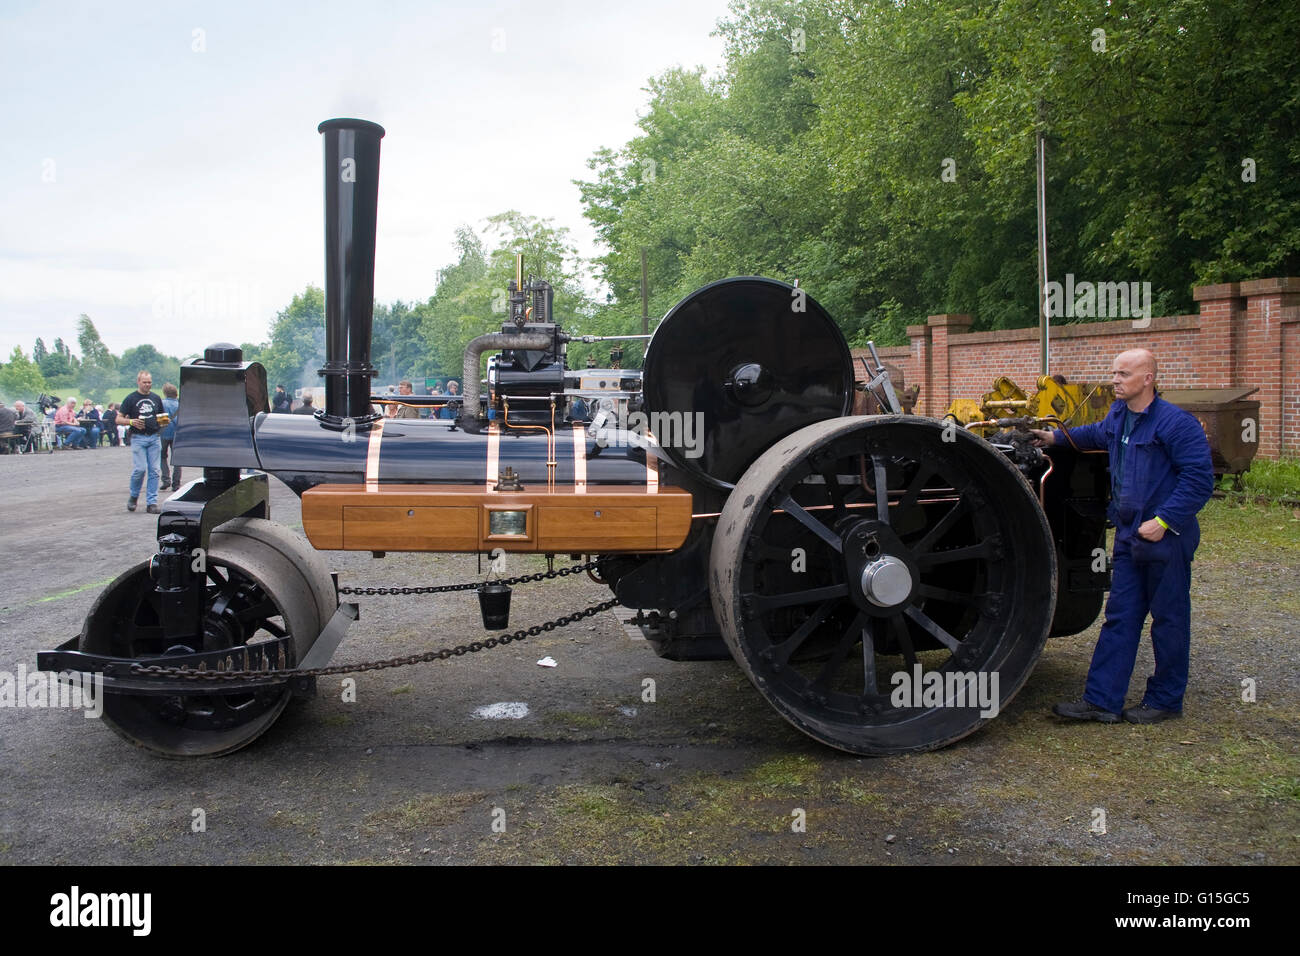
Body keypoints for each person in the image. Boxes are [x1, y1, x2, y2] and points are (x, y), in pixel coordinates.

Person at [1030, 348, 1214, 724]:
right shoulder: (1119, 417)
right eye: (1114, 373)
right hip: (1131, 536)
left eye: (1124, 374)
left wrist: (1163, 522)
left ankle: (1165, 700)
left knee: (1169, 619)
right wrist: (1054, 437)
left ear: (1148, 379)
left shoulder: (1178, 424)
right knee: (1120, 616)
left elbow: (1199, 481)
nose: (1115, 379)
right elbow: (1093, 434)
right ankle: (1102, 701)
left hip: (1166, 537)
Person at [117, 370, 166, 513]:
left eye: (149, 382)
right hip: (138, 438)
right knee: (140, 469)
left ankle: (152, 502)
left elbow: (163, 418)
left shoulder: (156, 398)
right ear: (138, 382)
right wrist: (131, 421)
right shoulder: (131, 399)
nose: (147, 385)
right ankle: (133, 496)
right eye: (145, 382)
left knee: (155, 470)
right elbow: (118, 419)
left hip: (154, 438)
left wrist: (162, 427)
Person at [159, 383, 180, 491]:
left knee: (162, 457)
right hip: (177, 434)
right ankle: (176, 483)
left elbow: (162, 421)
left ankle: (166, 479)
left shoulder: (162, 404)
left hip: (164, 433)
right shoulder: (180, 404)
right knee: (177, 460)